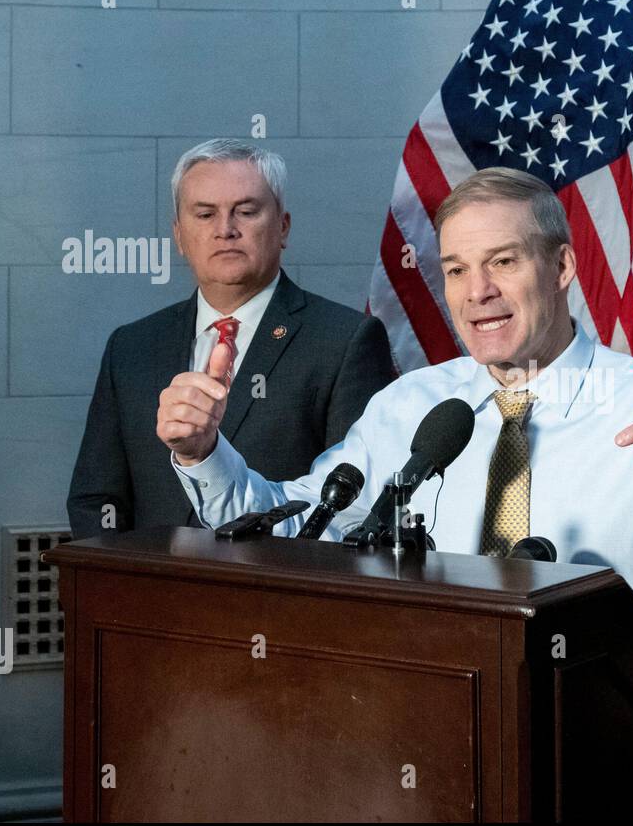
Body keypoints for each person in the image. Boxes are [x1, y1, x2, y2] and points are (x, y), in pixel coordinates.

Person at [156, 167, 633, 643]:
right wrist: (204, 455)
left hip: (602, 749)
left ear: (561, 267)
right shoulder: (411, 406)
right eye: (455, 269)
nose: (476, 292)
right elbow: (296, 540)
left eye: (502, 262)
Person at [67, 139, 394, 539]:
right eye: (205, 214)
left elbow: (353, 508)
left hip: (272, 595)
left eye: (246, 211)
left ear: (283, 227)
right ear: (179, 236)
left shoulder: (346, 340)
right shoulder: (131, 347)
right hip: (150, 597)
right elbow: (96, 499)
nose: (225, 230)